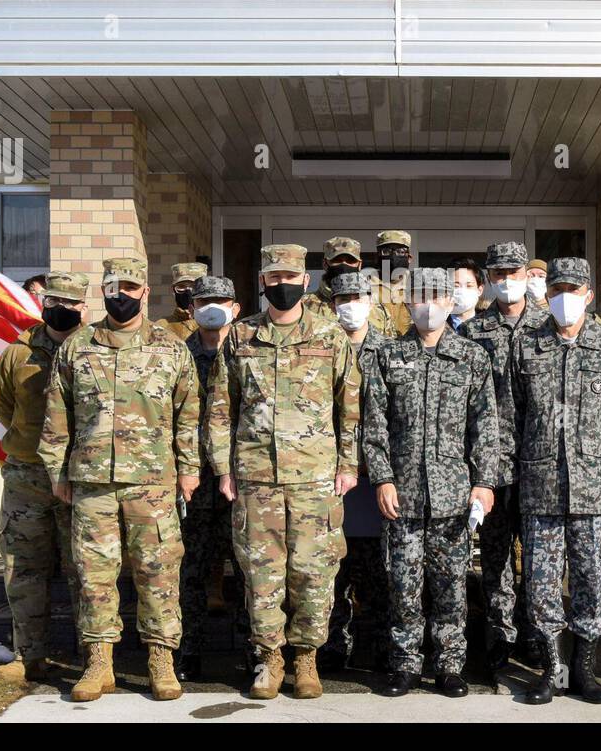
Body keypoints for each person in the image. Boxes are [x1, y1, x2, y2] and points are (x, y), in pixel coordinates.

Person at [39, 257, 201, 703]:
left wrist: (189, 470)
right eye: (113, 287)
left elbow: (189, 416)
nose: (121, 295)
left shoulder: (170, 348)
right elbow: (57, 415)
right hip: (91, 482)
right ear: (103, 292)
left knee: (159, 572)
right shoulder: (78, 346)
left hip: (153, 482)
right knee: (93, 575)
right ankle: (99, 662)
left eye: (129, 287)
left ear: (145, 292)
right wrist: (57, 471)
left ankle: (160, 660)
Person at [206, 243, 361, 700]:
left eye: (291, 278)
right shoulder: (240, 336)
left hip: (316, 478)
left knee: (314, 573)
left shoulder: (329, 335)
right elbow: (220, 409)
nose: (283, 285)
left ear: (306, 282)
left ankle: (306, 658)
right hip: (255, 476)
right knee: (261, 575)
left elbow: (349, 408)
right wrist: (223, 468)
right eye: (274, 278)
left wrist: (349, 465)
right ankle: (269, 659)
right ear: (262, 282)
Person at [510, 257, 601, 705]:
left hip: (593, 488)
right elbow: (507, 415)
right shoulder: (526, 344)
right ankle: (552, 671)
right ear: (546, 295)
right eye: (557, 290)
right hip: (540, 487)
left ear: (589, 295)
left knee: (591, 580)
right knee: (542, 583)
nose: (566, 298)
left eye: (574, 289)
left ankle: (585, 671)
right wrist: (505, 473)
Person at [364, 268, 498, 697]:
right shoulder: (387, 355)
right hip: (401, 496)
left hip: (453, 495)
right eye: (420, 296)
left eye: (437, 296)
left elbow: (486, 426)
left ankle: (449, 664)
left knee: (450, 585)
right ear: (408, 301)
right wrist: (382, 478)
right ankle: (404, 662)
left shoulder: (472, 356)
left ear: (450, 301)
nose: (429, 305)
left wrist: (484, 483)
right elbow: (373, 427)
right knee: (403, 582)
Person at [0, 271, 88, 682]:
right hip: (28, 476)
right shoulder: (18, 353)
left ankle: (94, 660)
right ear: (43, 304)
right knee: (23, 567)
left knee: (86, 571)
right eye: (54, 302)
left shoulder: (95, 349)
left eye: (71, 304)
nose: (62, 310)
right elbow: (3, 406)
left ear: (84, 307)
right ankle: (28, 655)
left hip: (82, 477)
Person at [460, 241, 550, 671]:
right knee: (495, 557)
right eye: (499, 274)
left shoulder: (549, 327)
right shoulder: (473, 332)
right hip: (490, 465)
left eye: (514, 272)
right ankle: (499, 634)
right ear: (490, 280)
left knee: (538, 558)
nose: (507, 281)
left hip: (541, 466)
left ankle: (536, 634)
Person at [318, 270, 392, 673]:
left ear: (370, 300)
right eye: (342, 298)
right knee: (335, 566)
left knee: (377, 565)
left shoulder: (390, 349)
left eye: (358, 296)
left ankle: (380, 641)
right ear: (332, 304)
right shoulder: (320, 346)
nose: (350, 304)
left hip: (374, 473)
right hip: (332, 472)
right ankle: (335, 643)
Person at [176, 274, 246, 681]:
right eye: (203, 301)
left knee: (250, 569)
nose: (212, 307)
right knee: (193, 569)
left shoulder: (251, 351)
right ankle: (189, 651)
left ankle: (251, 651)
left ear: (235, 308)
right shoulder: (176, 355)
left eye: (221, 300)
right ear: (191, 309)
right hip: (195, 481)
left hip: (246, 479)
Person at [302, 236, 394, 335]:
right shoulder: (304, 305)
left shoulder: (377, 310)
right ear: (325, 264)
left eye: (350, 260)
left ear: (359, 265)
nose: (344, 264)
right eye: (337, 260)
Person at [374, 229, 414, 335]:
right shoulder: (364, 287)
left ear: (409, 258)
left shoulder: (417, 287)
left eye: (400, 251)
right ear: (377, 256)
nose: (393, 256)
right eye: (386, 251)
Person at [163, 262, 209, 340]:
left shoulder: (215, 324)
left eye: (194, 286)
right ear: (173, 290)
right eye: (181, 286)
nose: (188, 292)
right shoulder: (162, 326)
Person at [448, 257, 484, 331]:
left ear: (480, 290)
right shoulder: (436, 326)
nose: (462, 291)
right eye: (456, 286)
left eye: (469, 286)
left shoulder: (492, 324)